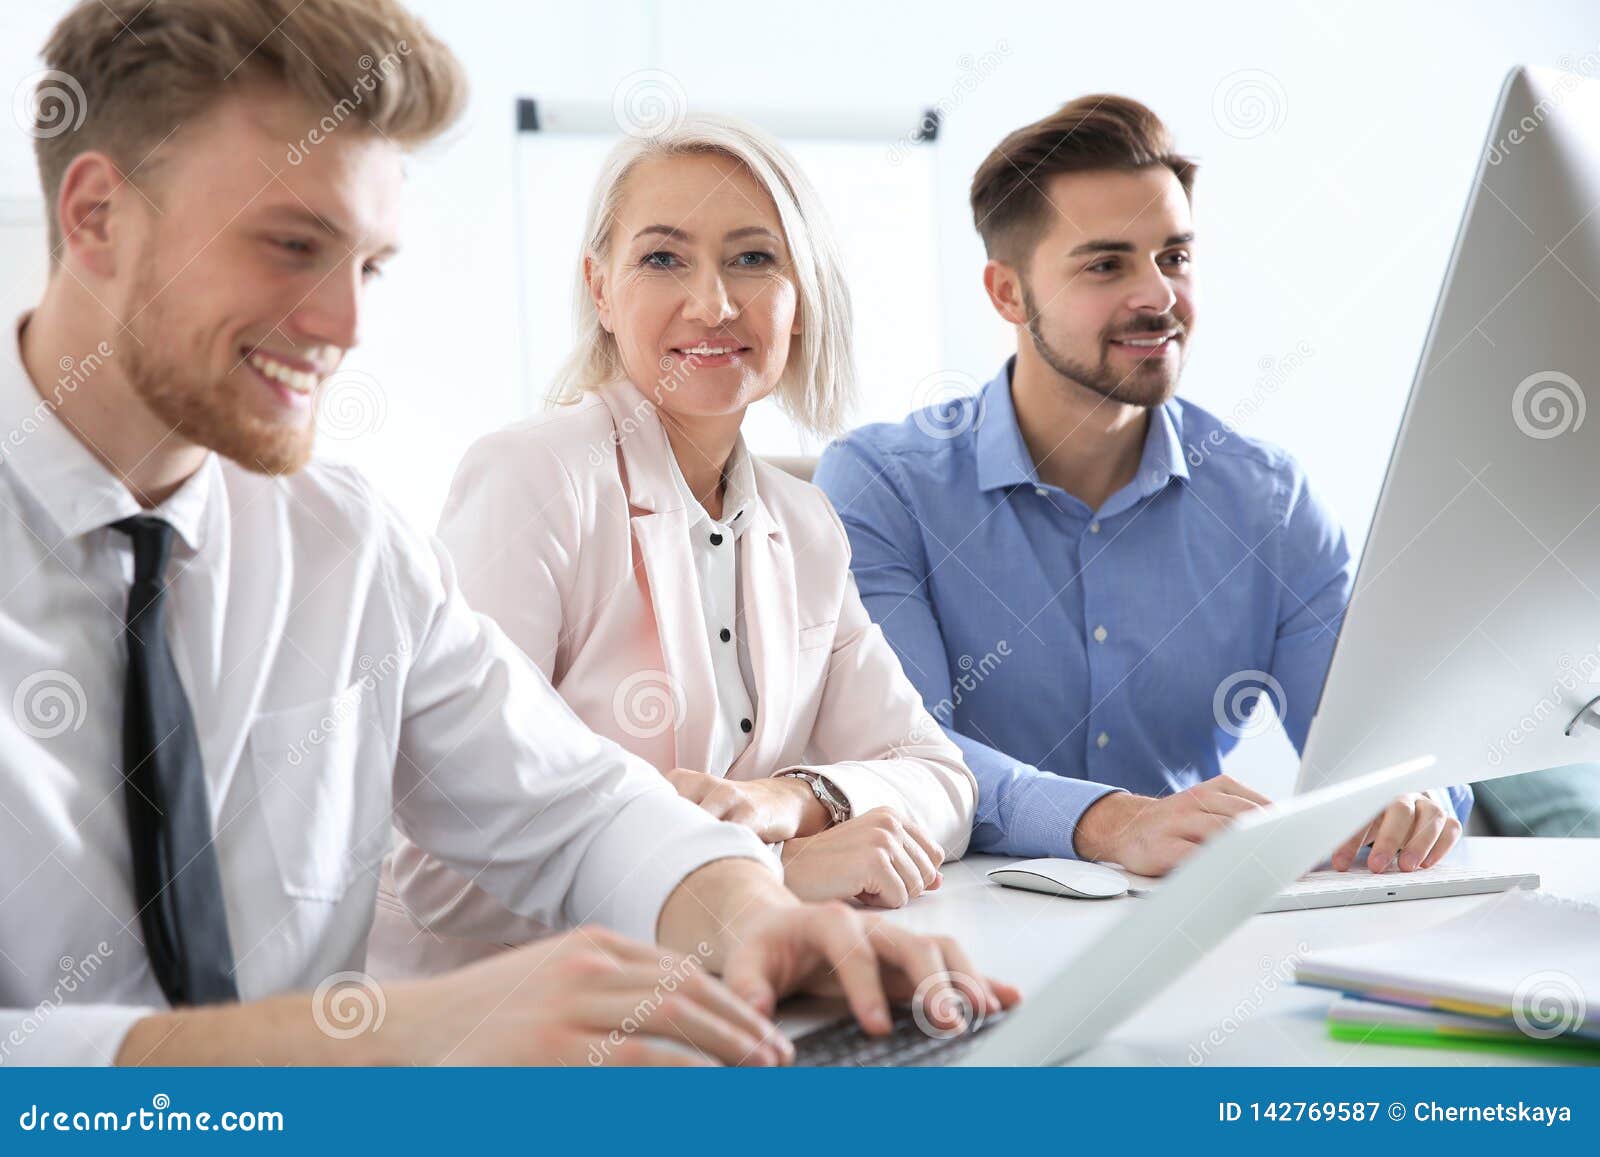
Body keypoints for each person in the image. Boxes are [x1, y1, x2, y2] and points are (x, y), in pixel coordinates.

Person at [0, 0, 1012, 1067]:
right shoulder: (534, 475)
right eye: (292, 244)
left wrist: (754, 917)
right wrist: (373, 1039)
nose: (346, 326)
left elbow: (579, 807)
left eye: (370, 265)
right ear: (97, 214)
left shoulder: (345, 546)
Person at [814, 95, 1471, 878]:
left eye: (1176, 256)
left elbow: (1379, 738)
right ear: (1008, 294)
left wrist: (1407, 793)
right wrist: (1107, 821)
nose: (1158, 296)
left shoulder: (1269, 502)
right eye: (1106, 264)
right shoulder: (884, 485)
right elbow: (898, 756)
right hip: (953, 920)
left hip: (1182, 923)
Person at [379, 116, 975, 968]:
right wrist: (767, 874)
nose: (714, 303)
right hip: (508, 1033)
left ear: (800, 298)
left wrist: (787, 800)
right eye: (663, 258)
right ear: (600, 288)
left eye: (753, 258)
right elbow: (450, 864)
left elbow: (940, 778)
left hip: (716, 1009)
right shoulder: (532, 478)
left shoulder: (804, 525)